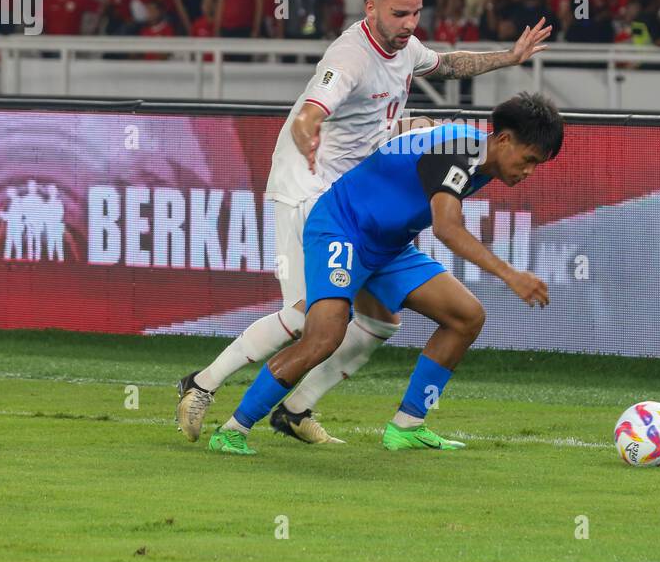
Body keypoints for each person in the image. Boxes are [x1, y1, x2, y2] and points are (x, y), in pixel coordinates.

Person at [175, 0, 552, 444]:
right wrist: (307, 133)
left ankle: (295, 410)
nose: (410, 24)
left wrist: (509, 56)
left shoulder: (405, 45)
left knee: (378, 319)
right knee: (307, 315)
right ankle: (202, 385)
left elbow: (449, 64)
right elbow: (311, 110)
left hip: (354, 190)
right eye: (399, 13)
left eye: (416, 13)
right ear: (369, 6)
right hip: (308, 183)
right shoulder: (349, 57)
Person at [208, 93, 564, 455]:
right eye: (529, 159)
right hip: (341, 229)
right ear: (503, 139)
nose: (529, 171)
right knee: (324, 337)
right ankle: (233, 429)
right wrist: (510, 275)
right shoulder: (456, 152)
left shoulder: (477, 154)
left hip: (389, 246)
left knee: (466, 316)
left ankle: (408, 425)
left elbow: (408, 147)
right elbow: (447, 227)